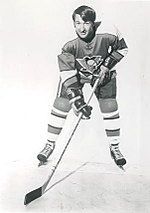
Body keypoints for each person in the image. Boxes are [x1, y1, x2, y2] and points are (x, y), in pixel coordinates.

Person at [37, 5, 128, 166]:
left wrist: (107, 65)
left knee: (110, 105)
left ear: (93, 23)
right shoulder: (69, 45)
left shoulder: (108, 32)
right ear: (73, 24)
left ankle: (114, 146)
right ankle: (49, 144)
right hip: (76, 74)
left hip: (101, 72)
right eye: (78, 23)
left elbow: (122, 49)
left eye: (86, 23)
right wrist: (78, 101)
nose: (82, 28)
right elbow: (67, 73)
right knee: (61, 103)